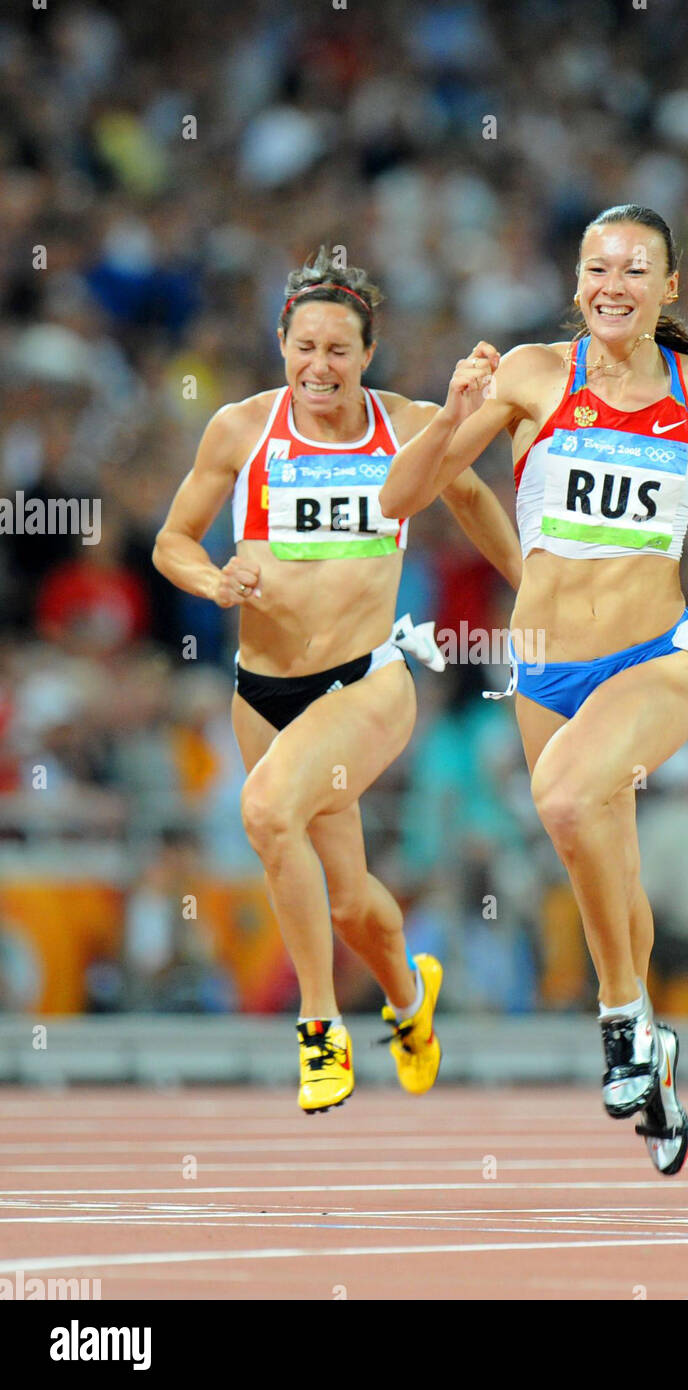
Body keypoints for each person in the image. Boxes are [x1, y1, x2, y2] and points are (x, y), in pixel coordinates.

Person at [379, 204, 688, 1175]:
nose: (613, 284)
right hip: (543, 668)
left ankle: (619, 1023)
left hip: (657, 656)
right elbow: (402, 498)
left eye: (635, 269)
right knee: (602, 867)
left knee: (563, 797)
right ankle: (651, 1057)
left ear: (669, 287)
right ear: (576, 284)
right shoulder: (529, 374)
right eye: (596, 267)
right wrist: (448, 417)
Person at [153, 248, 522, 1114]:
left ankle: (320, 1028)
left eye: (340, 352)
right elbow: (173, 540)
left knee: (265, 810)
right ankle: (408, 1000)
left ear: (368, 355)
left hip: (367, 680)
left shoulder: (407, 426)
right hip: (262, 688)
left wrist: (531, 584)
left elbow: (469, 500)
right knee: (352, 899)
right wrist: (213, 581)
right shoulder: (241, 429)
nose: (320, 367)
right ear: (281, 342)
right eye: (305, 347)